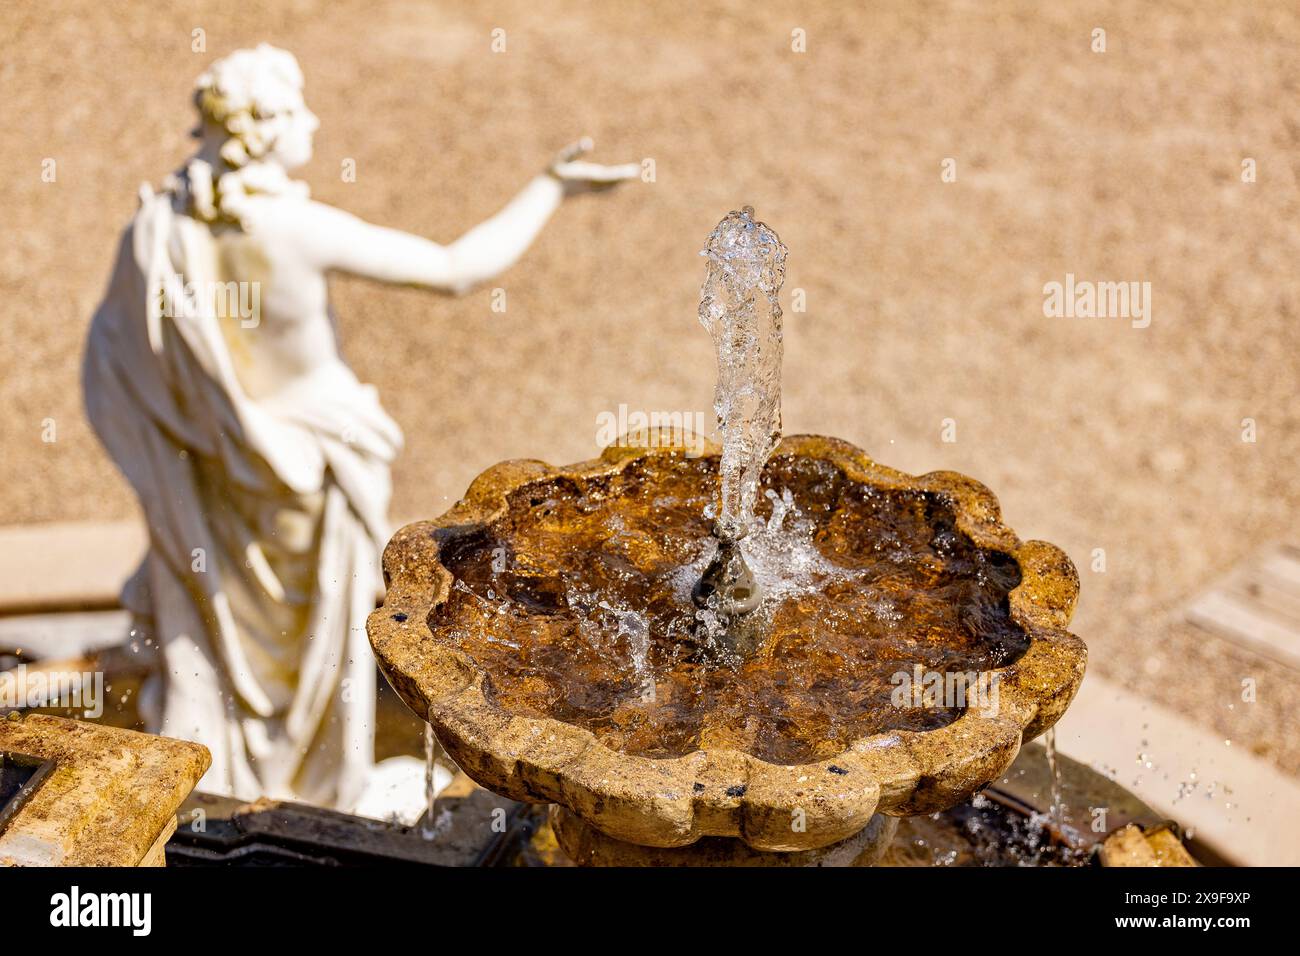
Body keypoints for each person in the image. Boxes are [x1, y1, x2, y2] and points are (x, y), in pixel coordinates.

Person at [82, 44, 637, 811]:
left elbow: (115, 357)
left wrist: (207, 430)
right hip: (311, 467)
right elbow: (455, 269)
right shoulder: (296, 228)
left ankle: (233, 776)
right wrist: (548, 187)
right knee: (325, 638)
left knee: (237, 629)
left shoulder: (160, 228)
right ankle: (319, 793)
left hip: (221, 469)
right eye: (298, 108)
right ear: (267, 128)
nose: (312, 121)